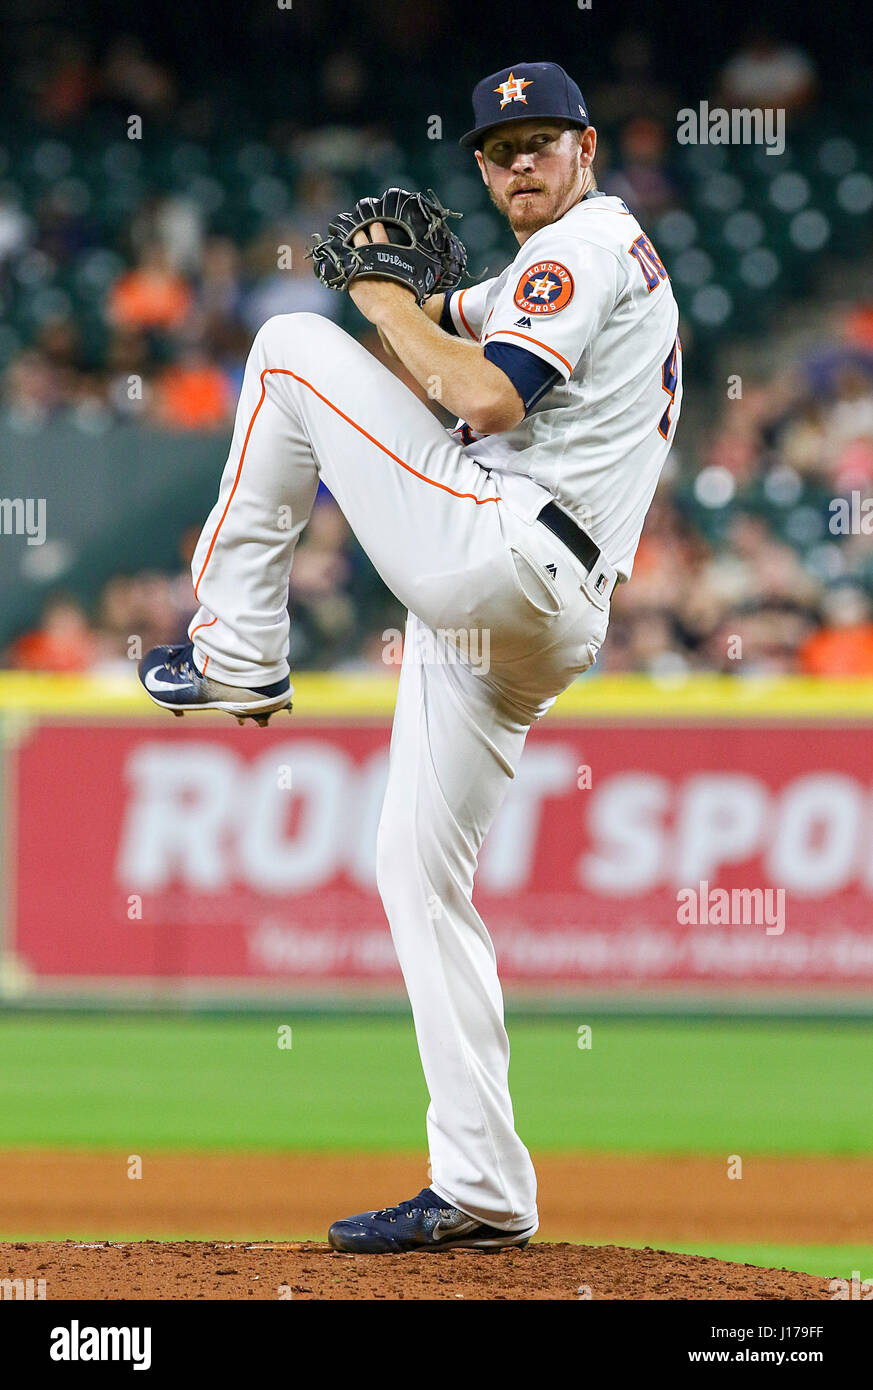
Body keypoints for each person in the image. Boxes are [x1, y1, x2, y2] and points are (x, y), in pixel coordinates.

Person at [138, 61, 682, 1251]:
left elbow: (483, 397)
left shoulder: (582, 248)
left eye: (543, 140)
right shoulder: (579, 262)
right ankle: (484, 1186)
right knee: (418, 876)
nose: (520, 161)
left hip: (506, 548)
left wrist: (377, 304)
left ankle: (236, 650)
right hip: (527, 610)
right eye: (499, 149)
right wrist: (409, 305)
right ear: (481, 167)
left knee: (285, 341)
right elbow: (452, 335)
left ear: (588, 148)